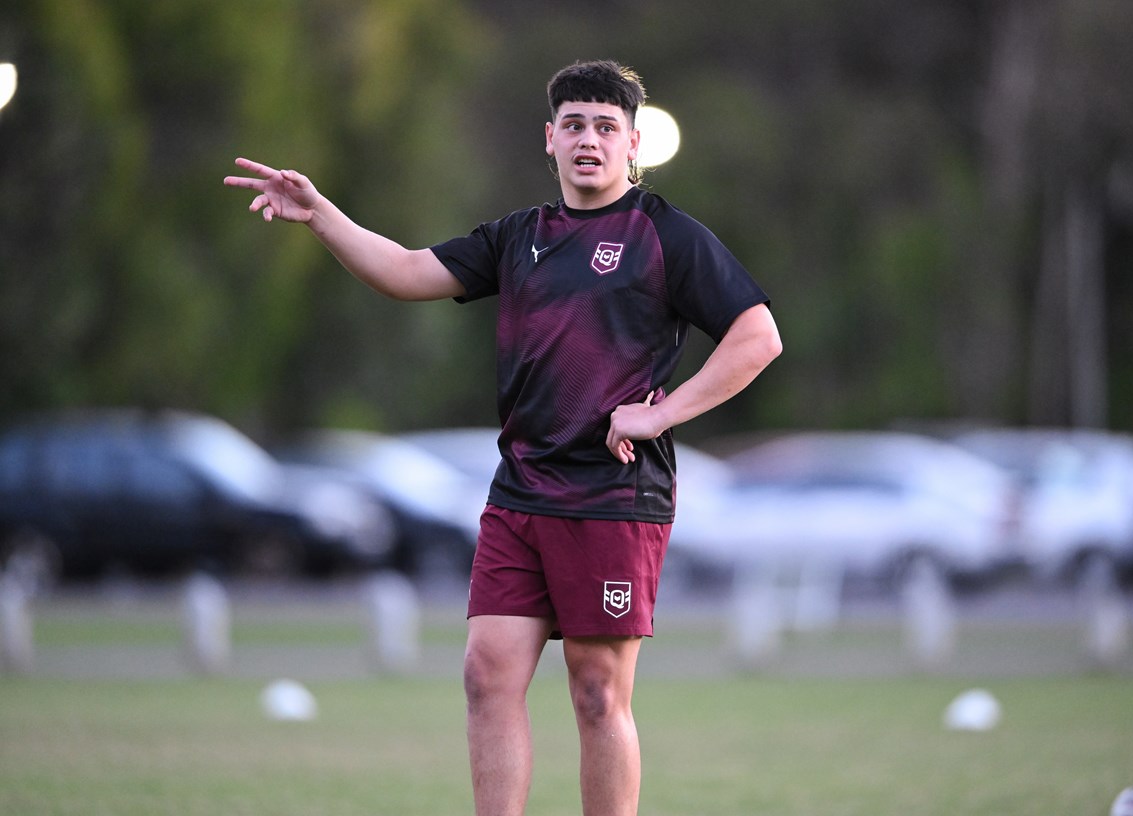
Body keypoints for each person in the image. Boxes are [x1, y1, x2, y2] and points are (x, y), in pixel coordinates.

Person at [225, 59, 781, 816]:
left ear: (633, 143)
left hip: (614, 497)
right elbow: (406, 272)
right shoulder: (518, 237)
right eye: (575, 125)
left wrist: (658, 414)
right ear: (549, 139)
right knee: (486, 675)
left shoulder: (664, 235)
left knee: (595, 693)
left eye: (606, 127)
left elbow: (758, 337)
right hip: (519, 494)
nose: (589, 139)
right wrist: (322, 215)